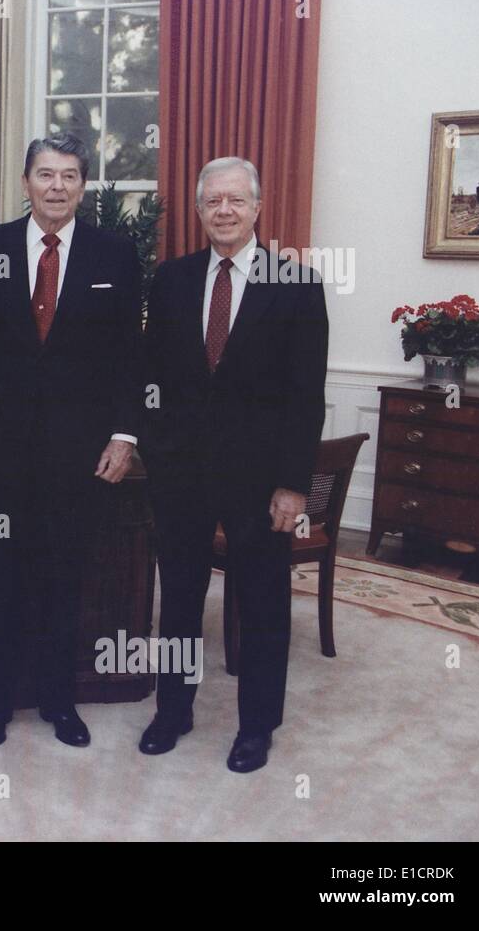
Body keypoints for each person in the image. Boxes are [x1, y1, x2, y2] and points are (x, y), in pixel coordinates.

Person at [0, 132, 143, 749]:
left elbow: (129, 357)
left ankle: (61, 701)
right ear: (25, 180)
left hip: (77, 453)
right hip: (0, 452)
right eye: (45, 174)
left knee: (64, 579)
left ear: (83, 186)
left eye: (68, 176)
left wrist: (123, 433)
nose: (56, 186)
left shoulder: (116, 255)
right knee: (0, 578)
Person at [138, 156, 328, 773]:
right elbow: (153, 377)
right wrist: (157, 450)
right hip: (181, 476)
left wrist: (293, 486)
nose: (224, 210)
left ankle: (257, 727)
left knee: (265, 601)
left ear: (257, 208)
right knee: (181, 599)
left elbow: (306, 398)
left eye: (236, 200)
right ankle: (173, 711)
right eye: (213, 201)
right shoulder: (170, 280)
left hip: (260, 482)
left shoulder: (296, 285)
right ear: (198, 210)